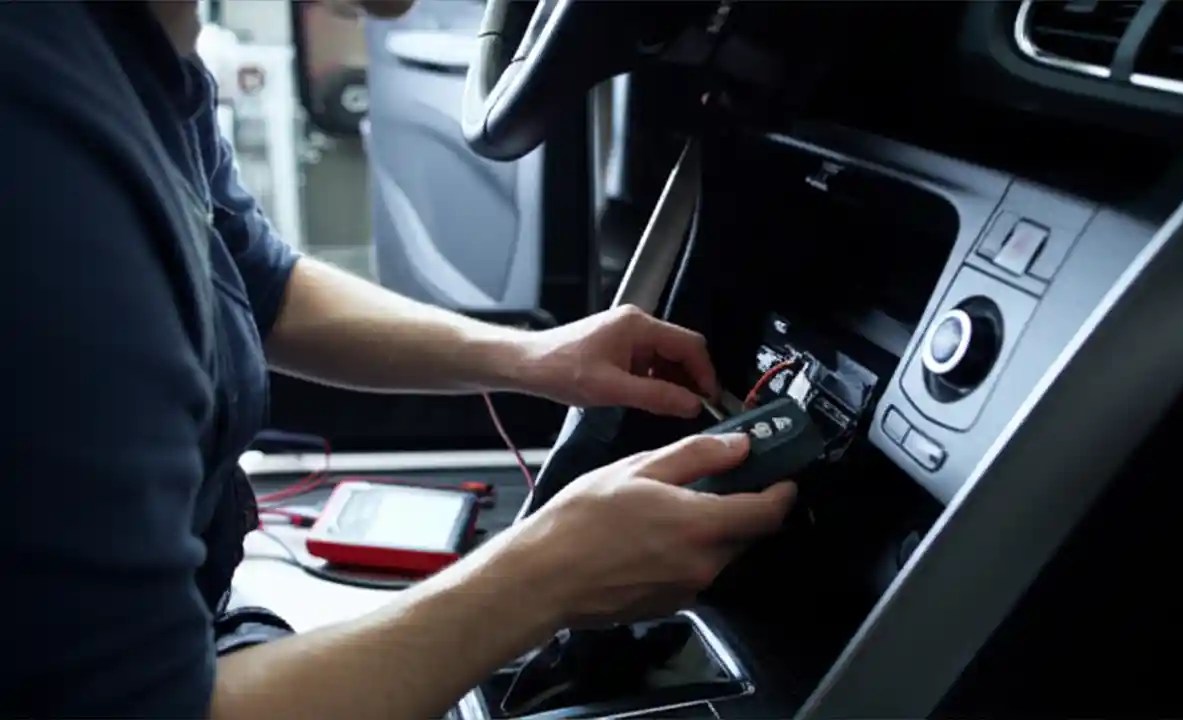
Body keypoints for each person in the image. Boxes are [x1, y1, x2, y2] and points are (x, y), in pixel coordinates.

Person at [0, 1, 796, 718]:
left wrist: (534, 356)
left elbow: (259, 280)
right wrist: (544, 576)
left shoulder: (147, 55)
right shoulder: (38, 142)